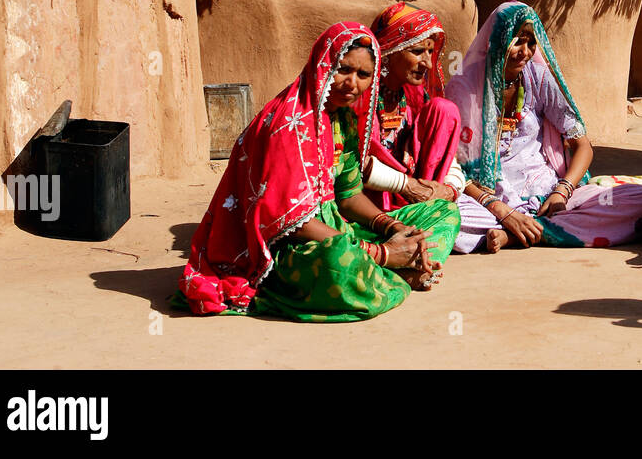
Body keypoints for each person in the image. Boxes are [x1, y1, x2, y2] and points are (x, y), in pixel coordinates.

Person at [179, 21, 461, 321]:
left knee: (444, 213)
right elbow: (293, 223)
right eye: (344, 69)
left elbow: (349, 195)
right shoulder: (290, 123)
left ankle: (396, 264)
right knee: (337, 262)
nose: (352, 83)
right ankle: (398, 271)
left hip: (339, 227)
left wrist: (391, 228)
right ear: (323, 65)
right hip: (287, 247)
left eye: (363, 75)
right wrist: (385, 253)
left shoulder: (343, 119)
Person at [446, 1, 642, 253]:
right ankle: (529, 228)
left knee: (641, 199)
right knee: (448, 216)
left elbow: (582, 145)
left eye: (531, 43)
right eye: (517, 41)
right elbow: (453, 166)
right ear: (498, 39)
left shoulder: (538, 76)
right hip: (487, 199)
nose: (525, 51)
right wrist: (500, 209)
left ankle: (521, 234)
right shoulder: (464, 88)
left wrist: (562, 192)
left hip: (545, 194)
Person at [362, 1, 467, 210]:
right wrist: (407, 187)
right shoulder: (362, 97)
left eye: (430, 53)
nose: (428, 63)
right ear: (390, 50)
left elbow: (449, 157)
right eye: (418, 51)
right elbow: (354, 162)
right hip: (366, 201)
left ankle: (426, 208)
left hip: (418, 198)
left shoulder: (416, 97)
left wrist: (448, 190)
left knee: (445, 110)